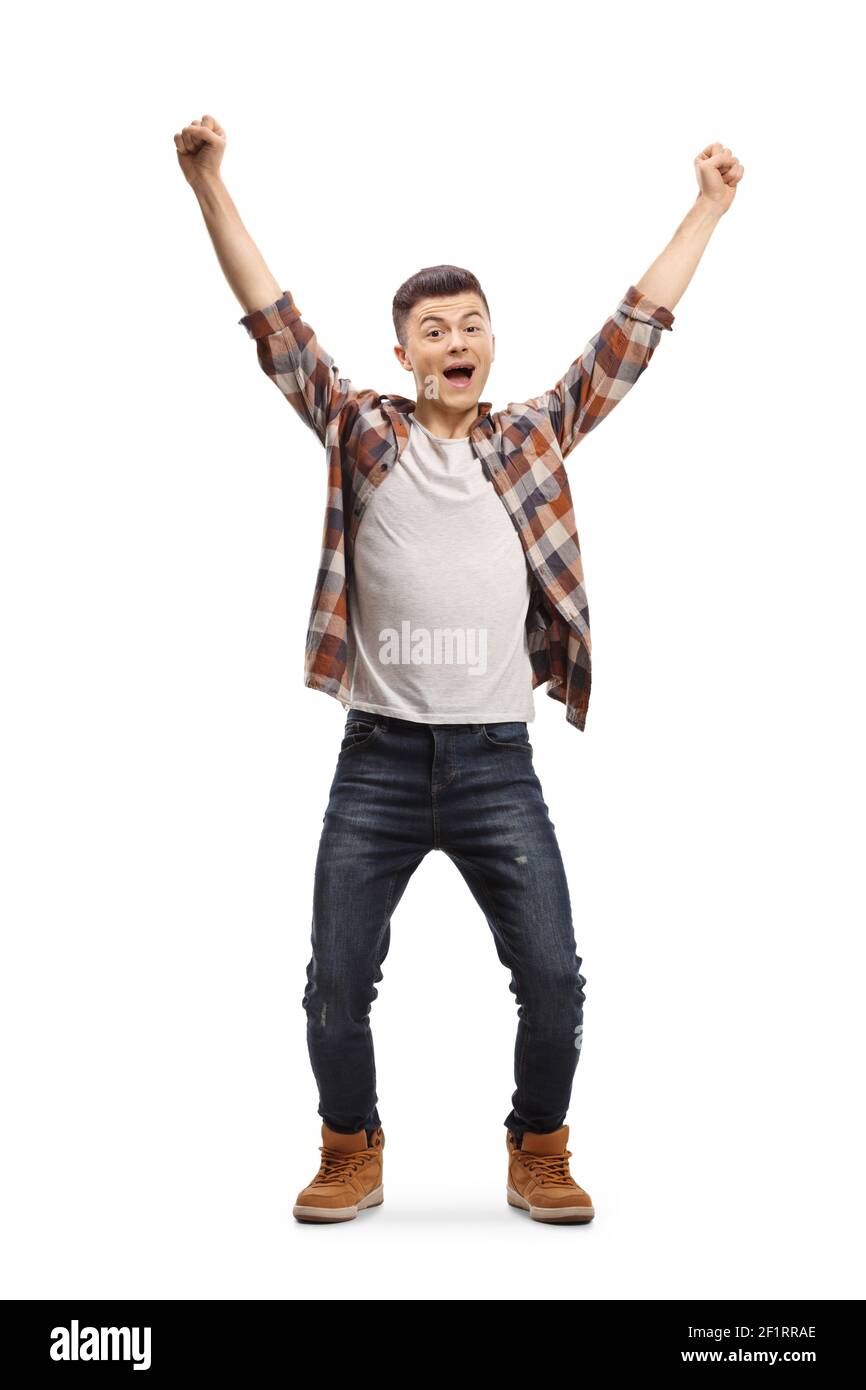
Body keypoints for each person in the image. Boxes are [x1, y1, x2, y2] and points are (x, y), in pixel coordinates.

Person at [175, 114, 743, 1224]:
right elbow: (272, 322)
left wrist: (707, 208)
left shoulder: (530, 435)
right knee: (334, 984)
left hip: (495, 762)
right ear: (402, 354)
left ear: (488, 345)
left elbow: (631, 333)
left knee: (554, 978)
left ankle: (539, 1146)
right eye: (431, 328)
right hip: (376, 760)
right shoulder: (361, 430)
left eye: (470, 325)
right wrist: (208, 184)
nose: (454, 339)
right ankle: (350, 1143)